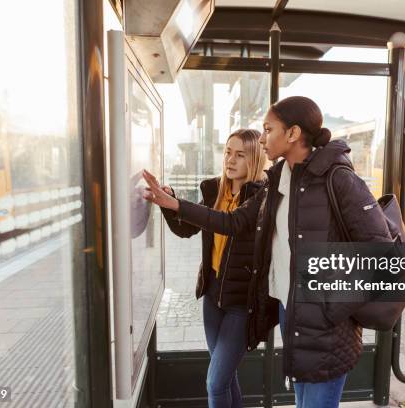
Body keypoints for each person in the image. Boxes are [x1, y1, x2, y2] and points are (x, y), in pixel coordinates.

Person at [143, 96, 392, 408]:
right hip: (292, 313)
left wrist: (333, 305)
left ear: (293, 134)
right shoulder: (279, 181)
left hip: (325, 322)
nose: (261, 138)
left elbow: (382, 256)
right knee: (301, 402)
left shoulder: (338, 178)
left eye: (268, 129)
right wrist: (175, 205)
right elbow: (233, 222)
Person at [159, 129, 267, 408]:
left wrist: (176, 204)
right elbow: (186, 230)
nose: (230, 160)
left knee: (215, 382)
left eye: (240, 155)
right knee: (225, 378)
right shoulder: (213, 189)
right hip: (212, 293)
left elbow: (229, 223)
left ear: (254, 158)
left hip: (242, 302)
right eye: (228, 152)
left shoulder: (261, 196)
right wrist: (169, 205)